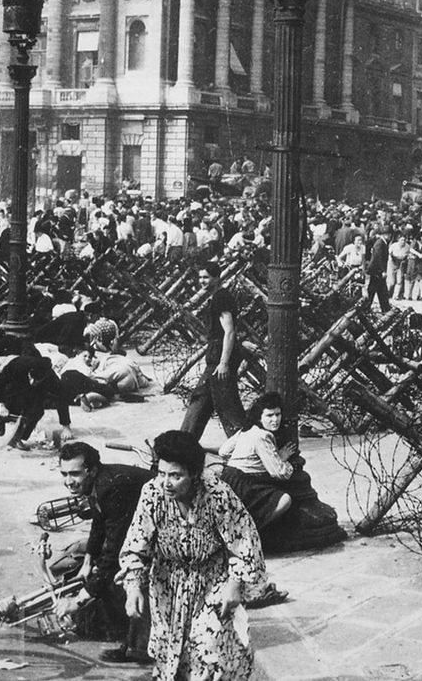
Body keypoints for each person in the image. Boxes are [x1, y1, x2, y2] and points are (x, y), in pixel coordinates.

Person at [119, 430, 267, 681]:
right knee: (171, 655)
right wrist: (133, 587)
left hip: (211, 581)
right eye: (162, 473)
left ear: (195, 475)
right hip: (167, 586)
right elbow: (136, 545)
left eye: (176, 476)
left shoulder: (217, 494)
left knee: (211, 649)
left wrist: (234, 584)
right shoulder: (152, 494)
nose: (166, 482)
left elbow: (245, 543)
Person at [57, 441, 153, 665]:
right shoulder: (97, 483)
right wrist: (88, 563)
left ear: (91, 470)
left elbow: (115, 552)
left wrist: (79, 600)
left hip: (168, 527)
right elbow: (99, 524)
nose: (68, 481)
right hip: (145, 525)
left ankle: (138, 647)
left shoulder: (111, 487)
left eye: (74, 474)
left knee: (132, 571)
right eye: (64, 474)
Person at [180, 263, 247, 441]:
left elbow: (230, 331)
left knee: (227, 403)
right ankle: (184, 442)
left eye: (206, 277)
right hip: (216, 353)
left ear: (217, 278)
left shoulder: (221, 298)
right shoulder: (216, 297)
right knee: (202, 398)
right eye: (200, 277)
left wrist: (224, 363)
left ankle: (246, 443)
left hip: (220, 356)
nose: (202, 281)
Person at [218, 393, 297, 531]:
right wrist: (282, 457)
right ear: (260, 418)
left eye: (278, 414)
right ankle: (252, 530)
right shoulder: (262, 436)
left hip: (228, 478)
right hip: (243, 484)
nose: (275, 420)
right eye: (269, 415)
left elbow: (223, 451)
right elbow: (280, 473)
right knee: (285, 499)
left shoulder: (247, 430)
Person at [365, 225, 392, 312]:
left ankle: (384, 308)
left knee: (379, 290)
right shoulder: (380, 243)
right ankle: (384, 308)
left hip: (376, 271)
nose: (389, 236)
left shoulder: (382, 243)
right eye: (387, 234)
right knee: (376, 290)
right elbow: (379, 258)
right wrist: (383, 271)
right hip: (376, 271)